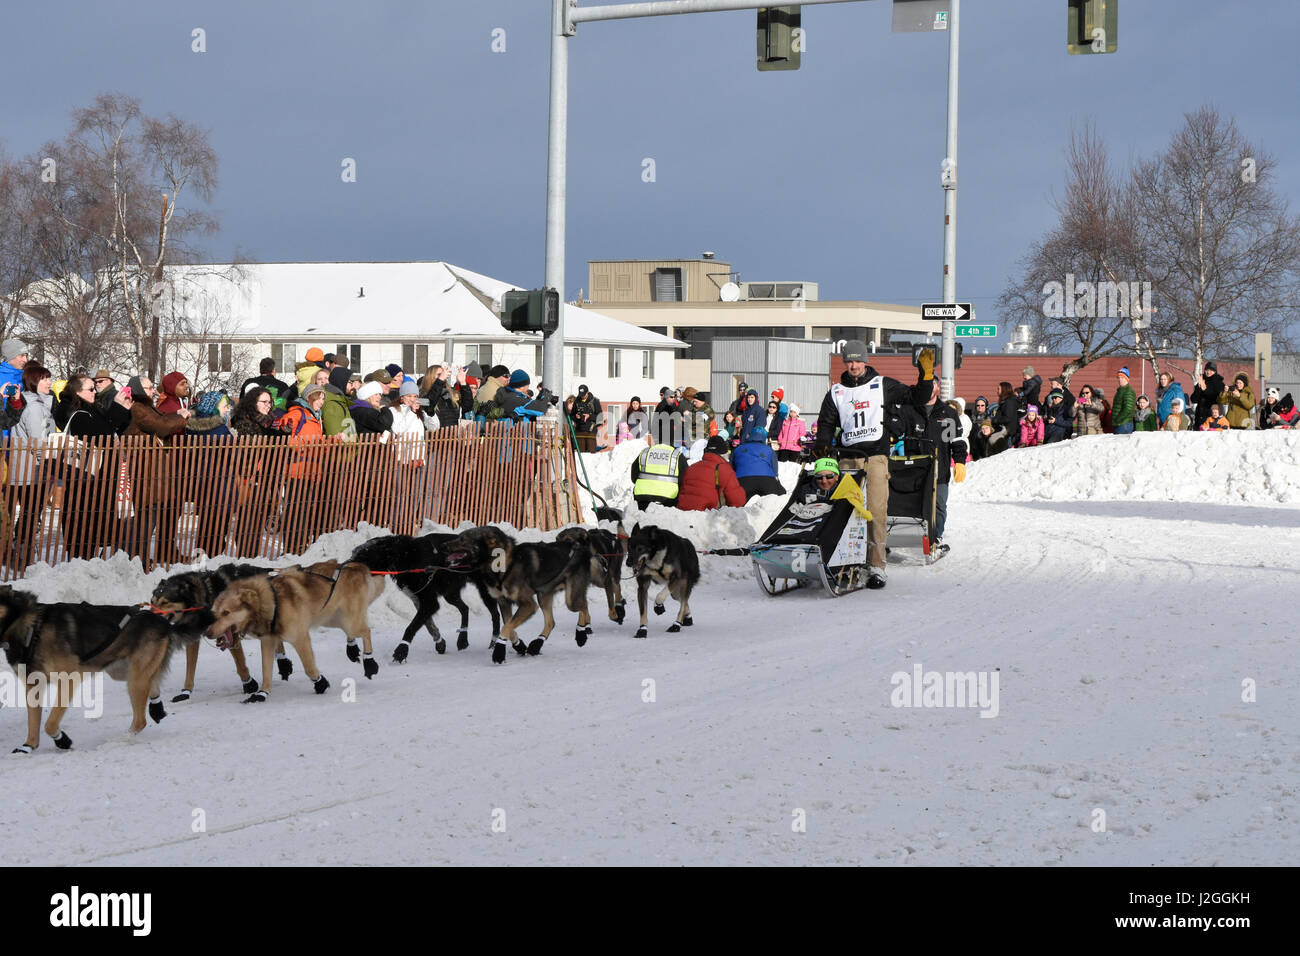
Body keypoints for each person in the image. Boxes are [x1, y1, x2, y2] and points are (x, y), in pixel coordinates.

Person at [814, 340, 934, 589]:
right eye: (849, 361)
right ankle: (845, 560)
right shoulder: (836, 392)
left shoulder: (882, 385)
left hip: (877, 457)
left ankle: (876, 566)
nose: (854, 365)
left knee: (877, 513)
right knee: (846, 511)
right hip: (848, 457)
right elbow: (825, 422)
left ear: (866, 360)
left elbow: (917, 397)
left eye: (858, 360)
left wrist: (926, 375)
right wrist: (823, 443)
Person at [677, 435, 746, 511]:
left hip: (682, 514)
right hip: (706, 516)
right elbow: (738, 501)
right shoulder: (724, 469)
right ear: (723, 453)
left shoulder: (691, 467)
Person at [630, 437, 688, 511]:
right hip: (668, 500)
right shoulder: (677, 455)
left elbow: (634, 476)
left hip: (642, 498)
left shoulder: (645, 452)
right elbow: (685, 480)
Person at [731, 426, 784, 499]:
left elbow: (731, 467)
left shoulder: (738, 449)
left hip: (742, 480)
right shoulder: (769, 450)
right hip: (766, 480)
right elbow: (774, 470)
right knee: (780, 495)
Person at [1189, 361, 1226, 430]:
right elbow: (1193, 399)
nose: (1208, 372)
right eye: (1207, 370)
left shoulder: (1219, 383)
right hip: (1199, 417)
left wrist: (1205, 389)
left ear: (1215, 371)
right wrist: (1199, 388)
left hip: (1212, 417)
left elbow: (1216, 398)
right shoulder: (1202, 381)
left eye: (1211, 370)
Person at [322, 366, 356, 438]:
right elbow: (335, 437)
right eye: (350, 382)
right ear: (341, 382)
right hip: (345, 448)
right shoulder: (333, 404)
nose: (353, 386)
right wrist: (351, 445)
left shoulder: (339, 400)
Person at [571, 384, 602, 452]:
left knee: (590, 453)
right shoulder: (576, 401)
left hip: (591, 431)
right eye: (581, 394)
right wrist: (576, 417)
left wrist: (589, 416)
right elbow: (572, 415)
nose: (582, 396)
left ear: (587, 392)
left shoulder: (595, 401)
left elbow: (600, 417)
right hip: (579, 430)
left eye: (584, 394)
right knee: (580, 453)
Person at [993, 381, 1020, 447]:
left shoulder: (1009, 402)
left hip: (1008, 433)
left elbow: (1008, 418)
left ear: (1004, 390)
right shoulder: (1005, 401)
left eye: (998, 389)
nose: (997, 391)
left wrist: (996, 420)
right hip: (1006, 432)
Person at [1111, 367, 1137, 434]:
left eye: (1122, 378)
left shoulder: (1128, 391)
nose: (1120, 380)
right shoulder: (1120, 391)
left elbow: (1128, 409)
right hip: (1119, 424)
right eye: (1118, 378)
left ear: (1127, 379)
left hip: (1124, 424)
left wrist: (1117, 420)